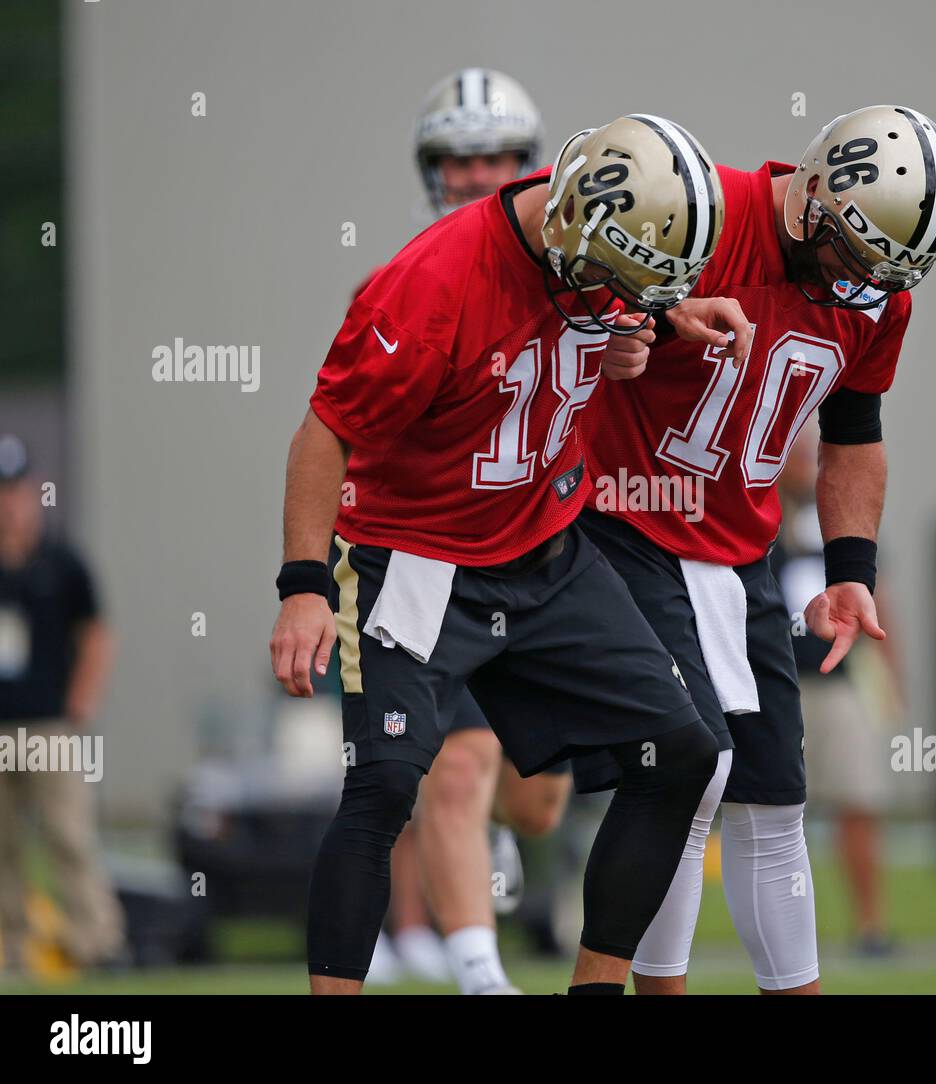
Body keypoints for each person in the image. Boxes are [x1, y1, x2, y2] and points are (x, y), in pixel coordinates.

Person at [269, 114, 749, 995]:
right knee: (383, 790)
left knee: (681, 753)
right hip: (415, 559)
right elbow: (323, 433)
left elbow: (610, 303)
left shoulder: (602, 247)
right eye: (620, 278)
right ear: (573, 225)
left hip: (543, 545)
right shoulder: (431, 282)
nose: (624, 294)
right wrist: (303, 585)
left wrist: (667, 318)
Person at [575, 105, 936, 993]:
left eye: (883, 271)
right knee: (691, 777)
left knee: (775, 802)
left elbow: (855, 430)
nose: (858, 285)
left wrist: (851, 571)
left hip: (741, 550)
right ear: (814, 197)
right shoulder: (699, 209)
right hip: (625, 520)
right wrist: (629, 328)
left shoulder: (877, 296)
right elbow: (565, 299)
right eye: (853, 256)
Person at [362, 67, 574, 994]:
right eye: (460, 159)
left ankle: (493, 836)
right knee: (455, 768)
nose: (481, 175)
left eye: (499, 157)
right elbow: (348, 433)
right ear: (431, 171)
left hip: (543, 555)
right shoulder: (409, 284)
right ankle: (481, 975)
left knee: (535, 802)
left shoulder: (573, 273)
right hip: (439, 560)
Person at [773, 427, 901, 956]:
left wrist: (893, 680)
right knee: (772, 813)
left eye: (813, 459)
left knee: (857, 803)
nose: (807, 469)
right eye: (797, 459)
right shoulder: (757, 522)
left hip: (839, 684)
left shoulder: (844, 521)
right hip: (774, 684)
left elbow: (881, 601)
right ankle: (782, 936)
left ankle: (870, 927)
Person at [0, 434, 125, 973]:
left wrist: (81, 701)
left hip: (47, 725)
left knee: (68, 836)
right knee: (4, 849)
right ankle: (8, 951)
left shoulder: (60, 560)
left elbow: (97, 631)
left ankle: (98, 944)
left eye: (13, 490)